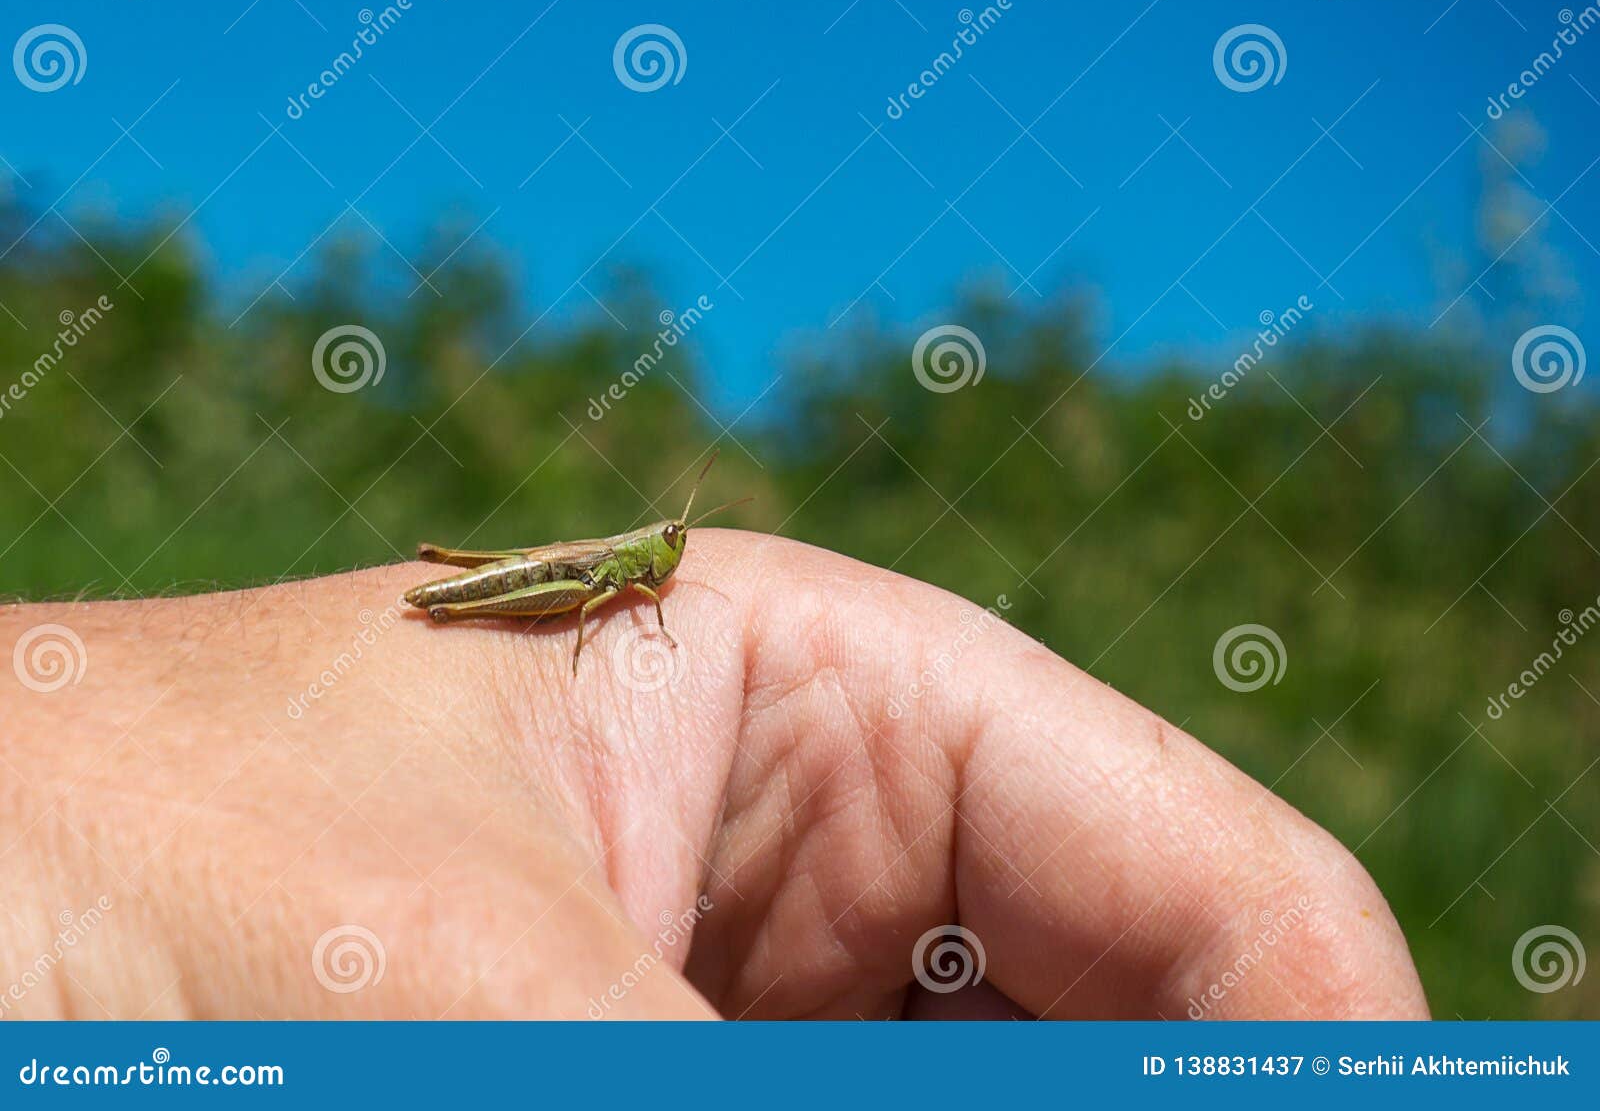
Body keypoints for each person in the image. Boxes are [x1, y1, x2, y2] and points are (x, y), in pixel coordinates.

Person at [0, 531, 1427, 1019]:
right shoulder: (616, 581)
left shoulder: (654, 584)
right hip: (511, 587)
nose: (663, 568)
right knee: (481, 584)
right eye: (659, 553)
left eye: (665, 558)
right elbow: (583, 598)